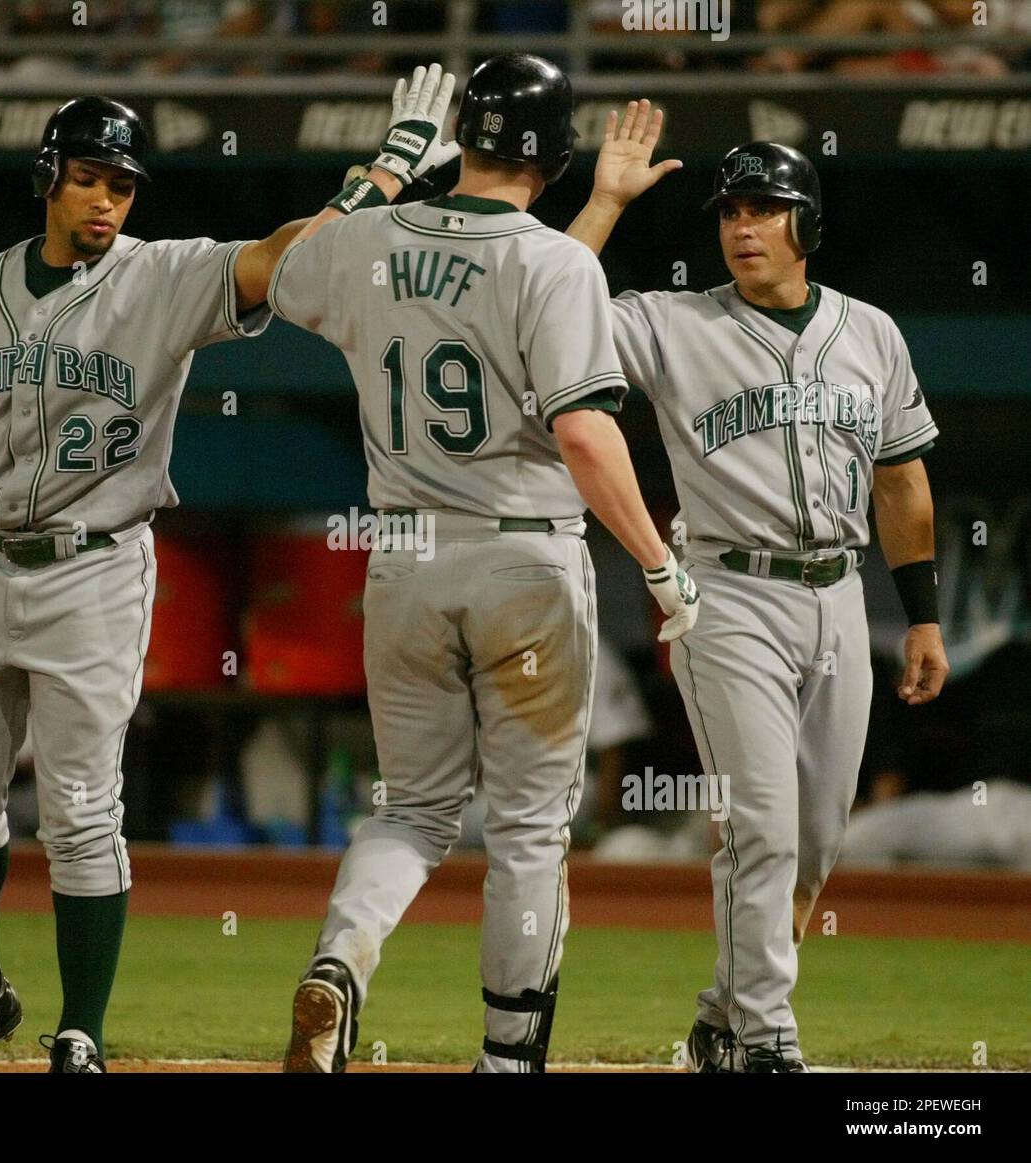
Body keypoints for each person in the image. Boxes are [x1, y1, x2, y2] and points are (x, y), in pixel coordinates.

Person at [0, 95, 309, 1073]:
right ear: (50, 176)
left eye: (123, 184)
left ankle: (80, 1028)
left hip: (93, 567)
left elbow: (274, 255)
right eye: (89, 176)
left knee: (82, 806)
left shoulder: (160, 278)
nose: (106, 199)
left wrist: (369, 184)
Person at [268, 57, 699, 1073]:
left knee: (412, 807)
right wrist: (659, 564)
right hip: (525, 564)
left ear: (460, 138)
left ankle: (337, 965)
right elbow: (583, 427)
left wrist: (384, 168)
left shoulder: (373, 239)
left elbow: (283, 268)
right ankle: (508, 1057)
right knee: (528, 829)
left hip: (405, 559)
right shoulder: (555, 263)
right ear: (552, 158)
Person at [566, 103, 949, 1070]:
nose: (741, 226)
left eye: (764, 208)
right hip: (726, 595)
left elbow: (902, 481)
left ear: (804, 224)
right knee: (764, 828)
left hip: (840, 596)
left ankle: (722, 1023)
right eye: (730, 210)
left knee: (817, 841)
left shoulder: (872, 334)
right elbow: (547, 309)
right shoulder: (670, 322)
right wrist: (607, 200)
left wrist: (925, 616)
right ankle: (767, 1041)